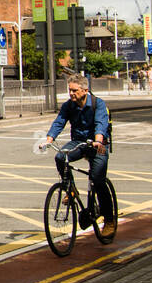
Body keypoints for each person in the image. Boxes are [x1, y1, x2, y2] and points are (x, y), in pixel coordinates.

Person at [37, 75, 113, 229]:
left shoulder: (98, 104)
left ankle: (109, 220)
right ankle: (70, 189)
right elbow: (59, 122)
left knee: (98, 181)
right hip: (79, 142)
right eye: (69, 90)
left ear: (85, 90)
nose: (71, 93)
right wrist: (48, 140)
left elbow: (101, 124)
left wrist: (98, 140)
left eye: (74, 90)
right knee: (60, 157)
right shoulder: (68, 106)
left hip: (98, 144)